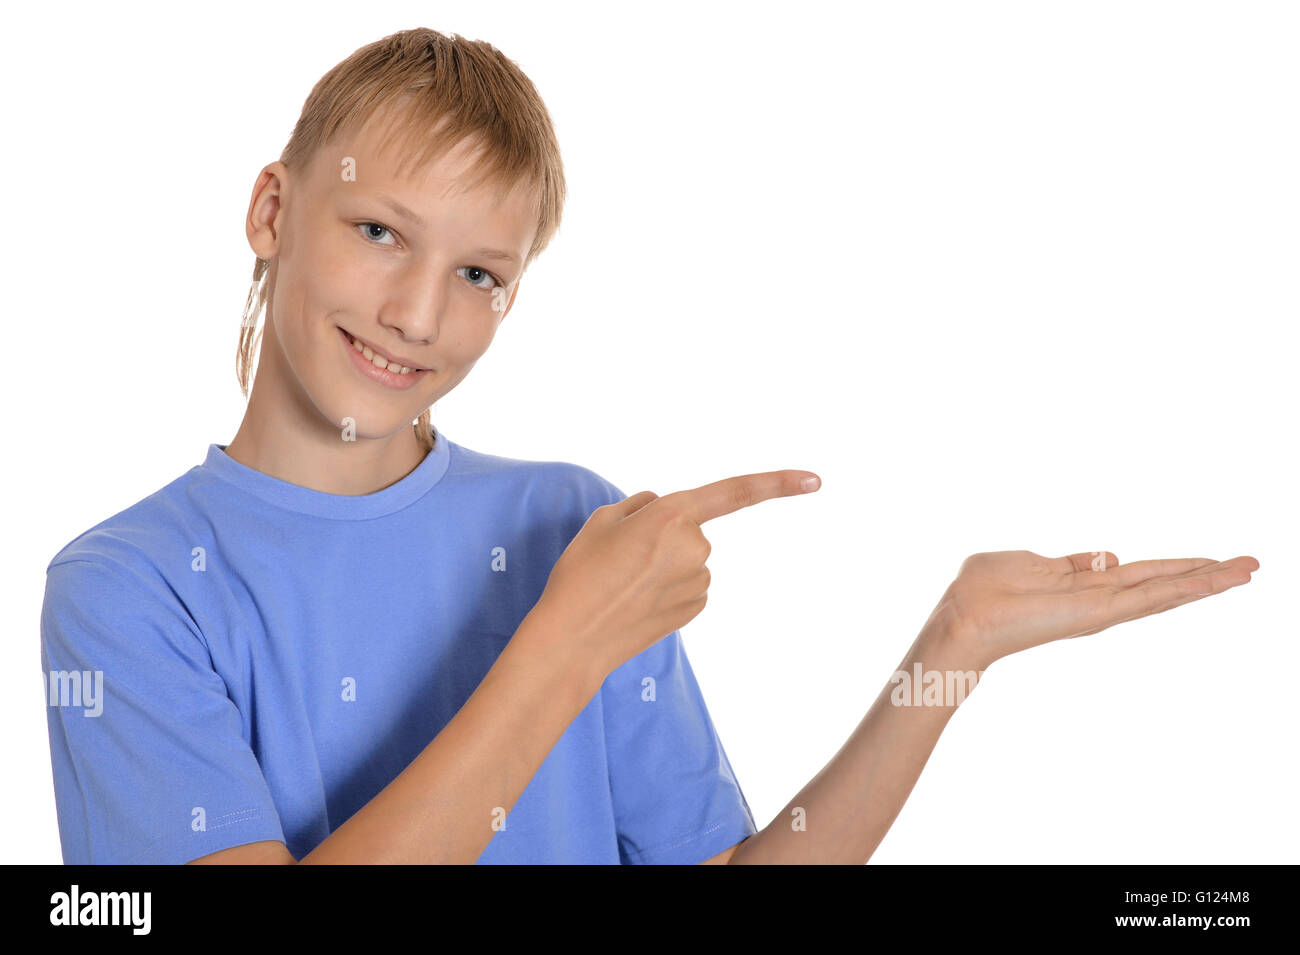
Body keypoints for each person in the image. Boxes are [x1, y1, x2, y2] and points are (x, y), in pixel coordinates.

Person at [40, 28, 1258, 866]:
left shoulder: (573, 524)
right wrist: (564, 644)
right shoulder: (125, 589)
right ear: (271, 211)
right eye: (376, 230)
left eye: (478, 272)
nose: (416, 313)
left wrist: (949, 653)